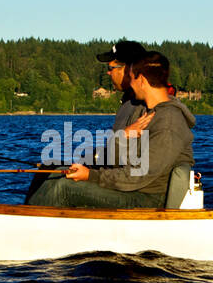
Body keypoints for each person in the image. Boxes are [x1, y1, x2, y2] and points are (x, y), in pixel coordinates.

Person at [28, 52, 194, 208]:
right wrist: (124, 136)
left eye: (131, 78)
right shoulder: (149, 113)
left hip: (146, 198)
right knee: (56, 174)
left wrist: (90, 176)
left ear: (141, 80)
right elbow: (124, 162)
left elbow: (138, 175)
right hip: (132, 188)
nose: (130, 83)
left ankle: (26, 227)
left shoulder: (169, 121)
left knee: (64, 188)